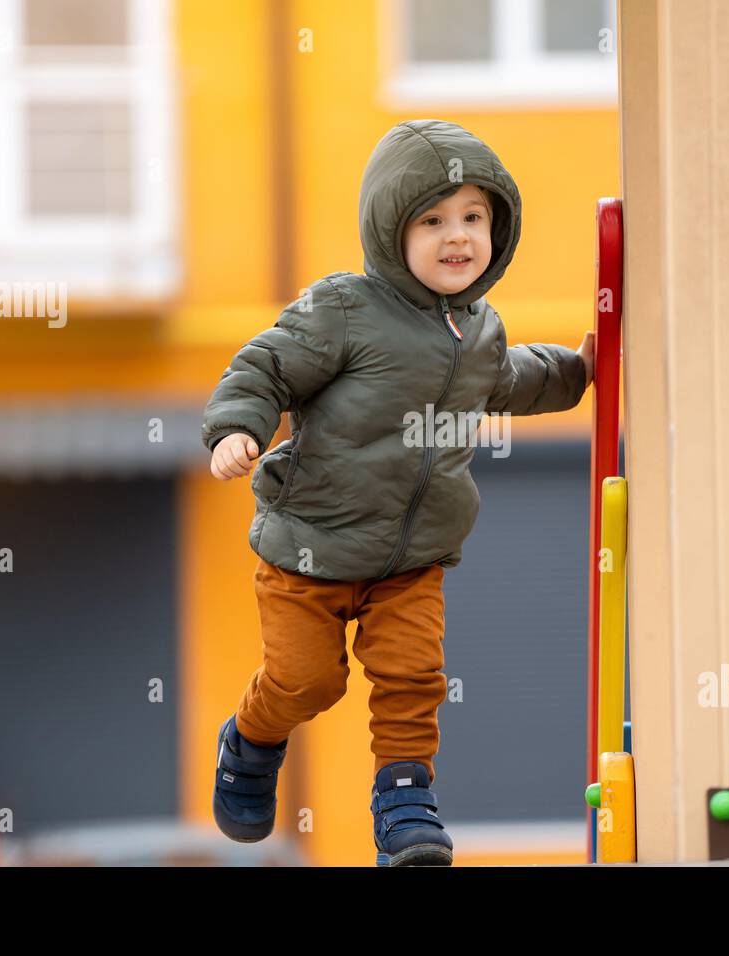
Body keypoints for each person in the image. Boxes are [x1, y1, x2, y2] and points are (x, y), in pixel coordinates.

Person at [201, 119, 595, 866]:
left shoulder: (478, 331)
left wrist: (580, 369)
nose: (459, 237)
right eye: (434, 220)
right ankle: (251, 740)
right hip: (309, 551)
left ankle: (406, 801)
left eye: (475, 218)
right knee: (307, 681)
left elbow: (511, 379)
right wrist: (234, 428)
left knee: (414, 675)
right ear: (391, 230)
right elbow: (264, 367)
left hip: (411, 562)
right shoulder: (344, 309)